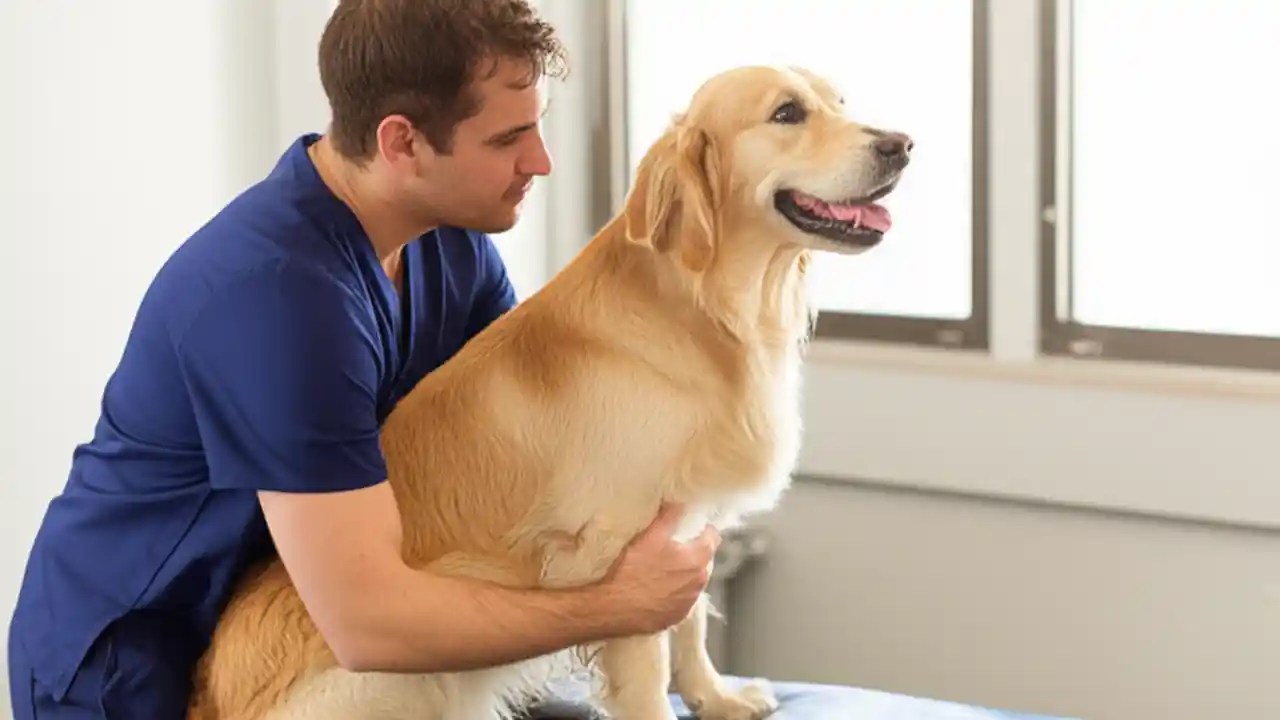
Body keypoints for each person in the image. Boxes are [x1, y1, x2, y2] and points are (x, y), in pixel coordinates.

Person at [6, 1, 721, 717]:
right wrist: (616, 605)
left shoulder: (450, 243)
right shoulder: (278, 297)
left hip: (297, 630)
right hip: (133, 663)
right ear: (402, 143)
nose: (539, 161)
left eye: (537, 126)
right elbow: (367, 621)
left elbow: (532, 457)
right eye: (508, 138)